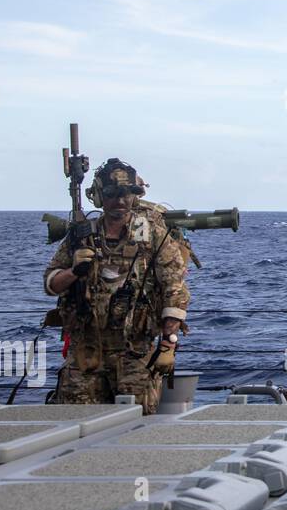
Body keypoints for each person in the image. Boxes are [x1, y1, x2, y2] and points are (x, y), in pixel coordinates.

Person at [43, 159, 190, 413]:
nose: (119, 201)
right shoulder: (81, 235)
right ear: (100, 197)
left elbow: (174, 291)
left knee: (138, 425)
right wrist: (74, 271)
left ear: (134, 196)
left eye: (125, 194)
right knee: (74, 422)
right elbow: (51, 284)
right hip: (86, 354)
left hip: (134, 353)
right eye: (112, 194)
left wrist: (168, 346)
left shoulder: (153, 234)